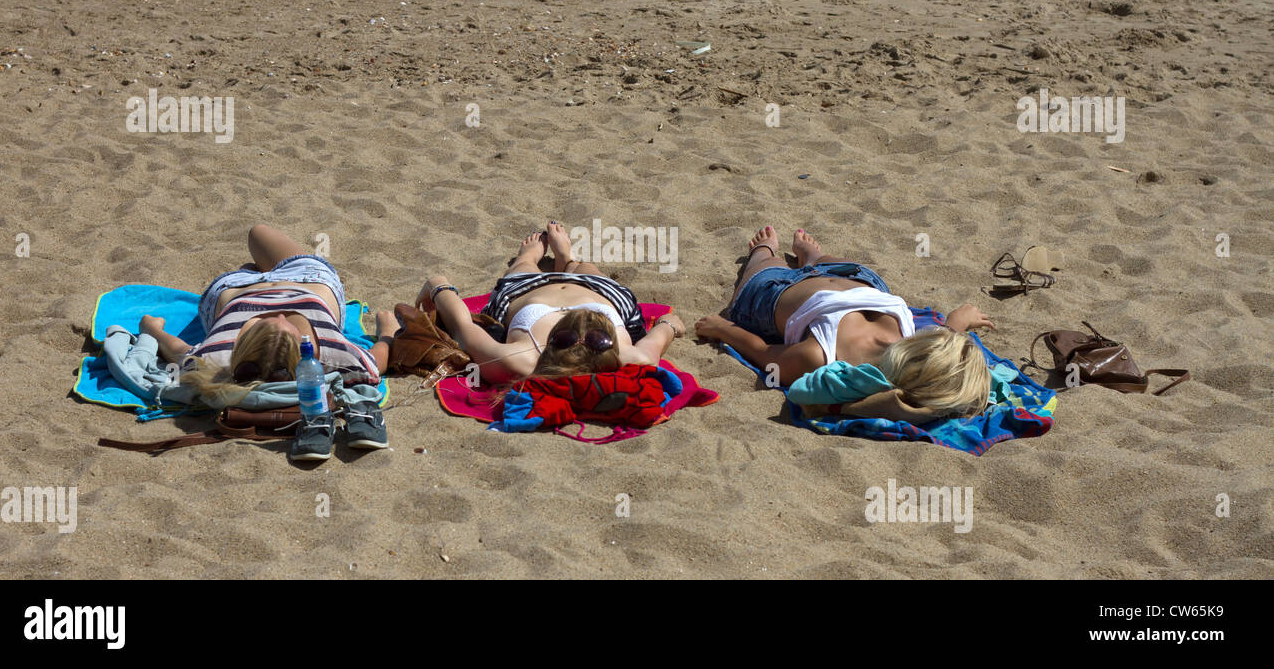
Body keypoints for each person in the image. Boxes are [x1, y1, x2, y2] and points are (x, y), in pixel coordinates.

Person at [138, 224, 394, 459]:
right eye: (288, 322)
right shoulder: (330, 351)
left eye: (263, 322)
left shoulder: (218, 355)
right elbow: (377, 362)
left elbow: (178, 352)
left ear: (243, 344)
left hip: (244, 286)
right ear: (304, 352)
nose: (280, 313)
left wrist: (152, 330)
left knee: (256, 233)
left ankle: (253, 269)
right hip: (294, 279)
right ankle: (253, 269)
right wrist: (388, 333)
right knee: (258, 233)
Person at [694, 226, 994, 417]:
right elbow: (945, 337)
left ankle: (764, 252)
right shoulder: (923, 342)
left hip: (781, 293)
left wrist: (725, 329)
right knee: (826, 263)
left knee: (762, 267)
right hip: (857, 280)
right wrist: (958, 323)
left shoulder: (820, 356)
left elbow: (763, 352)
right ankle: (812, 257)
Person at [417, 221, 684, 383]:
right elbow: (666, 329)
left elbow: (462, 327)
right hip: (600, 294)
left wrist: (438, 285)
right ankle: (567, 259)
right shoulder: (626, 357)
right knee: (585, 266)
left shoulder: (521, 360)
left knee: (523, 265)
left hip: (527, 294)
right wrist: (669, 325)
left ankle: (531, 257)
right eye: (599, 335)